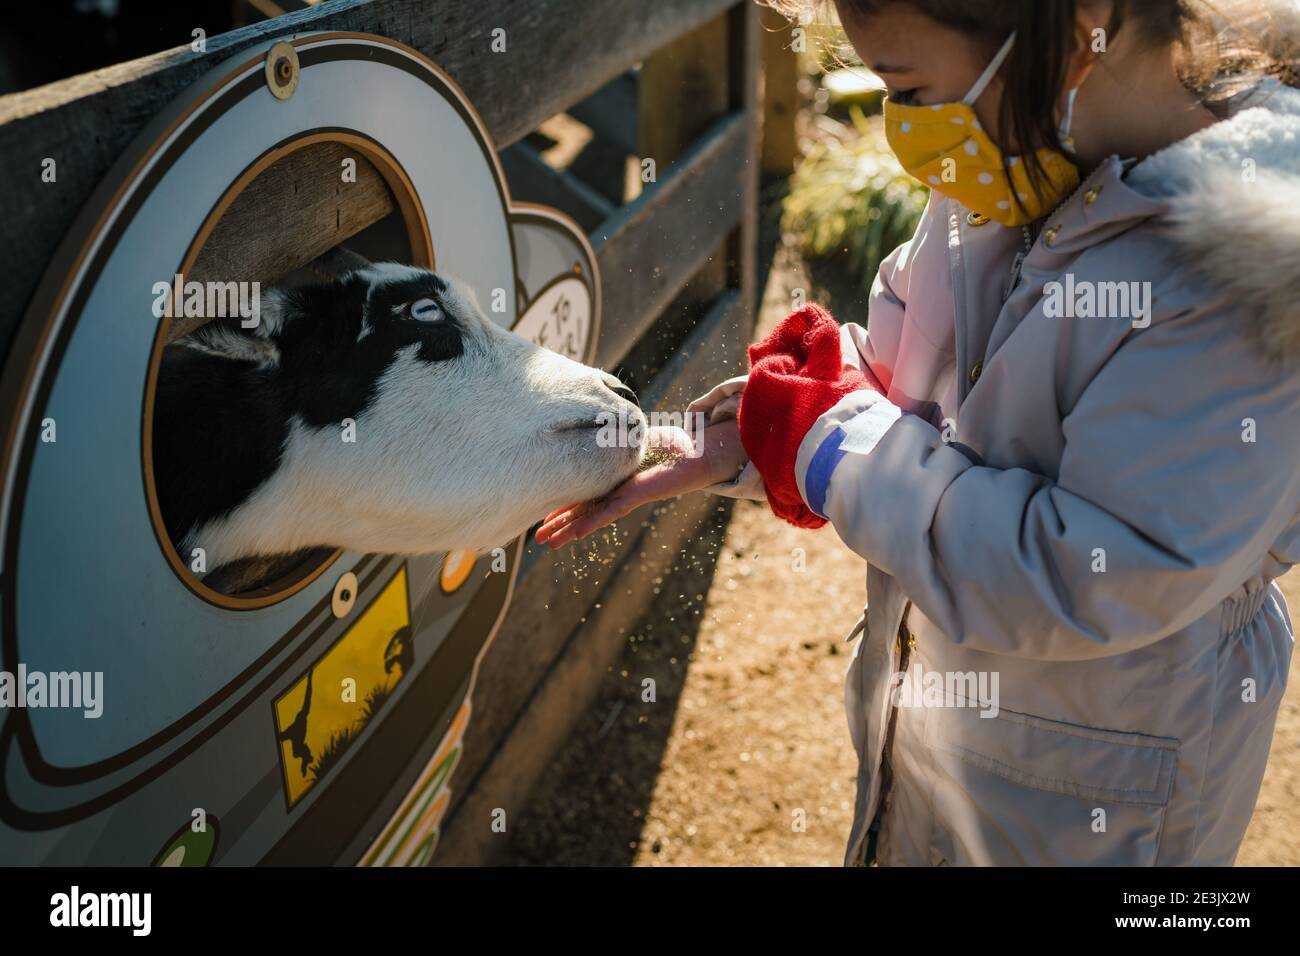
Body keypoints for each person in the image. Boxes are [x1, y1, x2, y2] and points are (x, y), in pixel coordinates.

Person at [536, 0, 1300, 865]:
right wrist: (769, 430)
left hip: (1101, 794)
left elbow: (1087, 573)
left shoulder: (1236, 284)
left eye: (910, 87)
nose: (908, 129)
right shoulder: (1012, 171)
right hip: (947, 730)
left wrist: (828, 438)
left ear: (1076, 29)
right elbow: (904, 398)